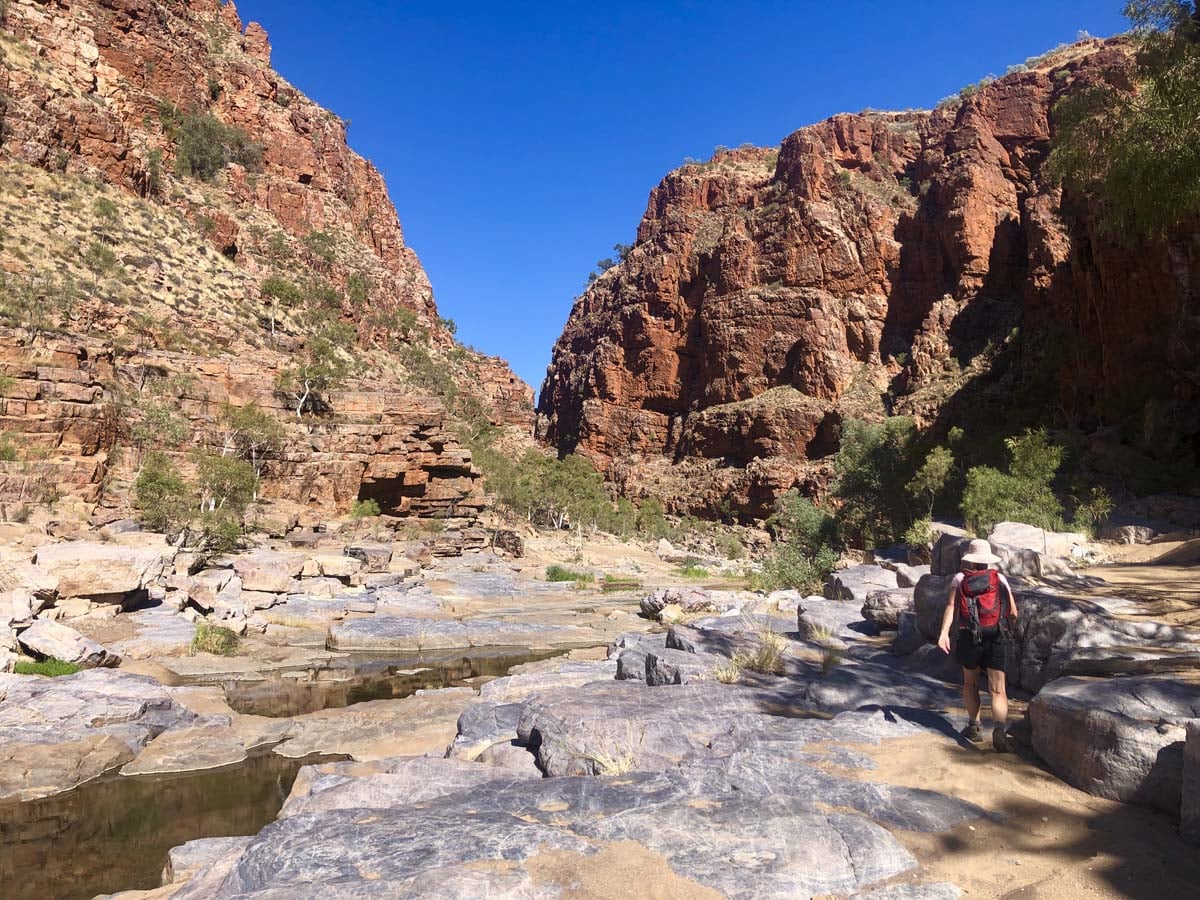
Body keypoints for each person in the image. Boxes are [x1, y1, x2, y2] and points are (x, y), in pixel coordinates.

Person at [936, 538, 1018, 751]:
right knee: (998, 689)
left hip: (969, 637)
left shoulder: (960, 578)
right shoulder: (999, 579)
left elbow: (951, 605)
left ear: (970, 560)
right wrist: (1009, 627)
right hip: (996, 635)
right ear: (988, 559)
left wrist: (944, 633)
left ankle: (974, 727)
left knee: (970, 684)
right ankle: (1000, 730)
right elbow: (1013, 612)